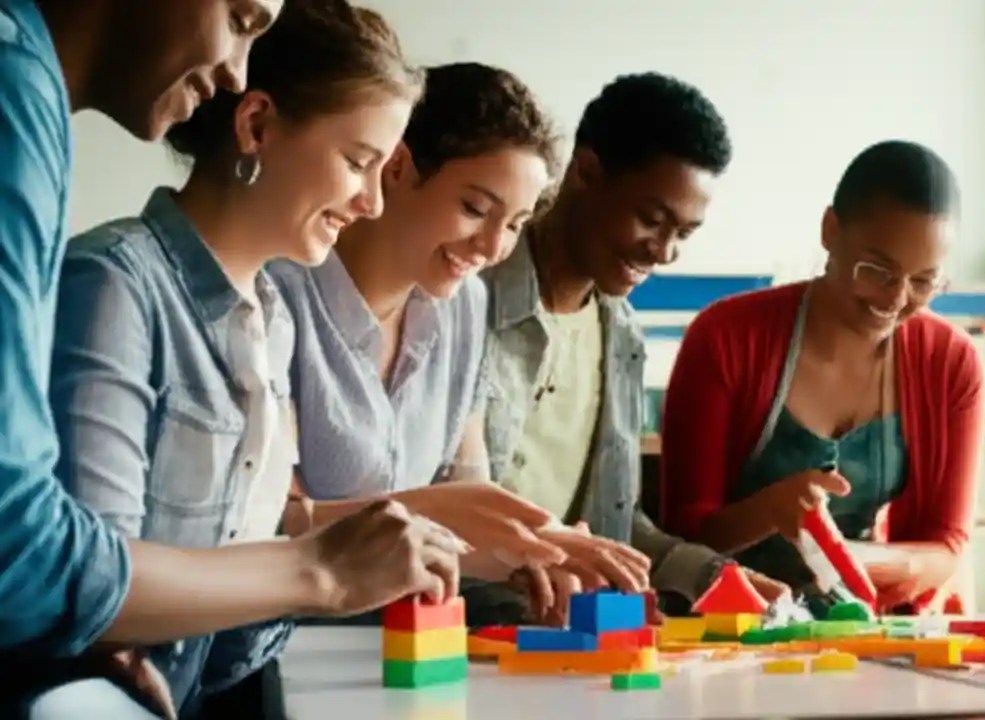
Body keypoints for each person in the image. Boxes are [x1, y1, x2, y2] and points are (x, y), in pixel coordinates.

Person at [45, 4, 556, 717]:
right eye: (359, 163)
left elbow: (271, 536)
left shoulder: (271, 317)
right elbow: (90, 583)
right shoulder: (113, 285)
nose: (372, 200)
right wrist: (318, 572)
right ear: (255, 127)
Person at [272, 62, 651, 629]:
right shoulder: (281, 290)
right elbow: (271, 524)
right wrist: (423, 513)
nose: (494, 246)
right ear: (395, 168)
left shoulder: (465, 305)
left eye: (518, 223)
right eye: (475, 208)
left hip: (406, 636)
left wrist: (533, 550)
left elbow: (468, 494)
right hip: (286, 640)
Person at [481, 72, 789, 611]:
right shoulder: (468, 298)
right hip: (455, 634)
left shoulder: (620, 333)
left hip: (565, 644)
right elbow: (429, 506)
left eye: (684, 234)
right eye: (652, 219)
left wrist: (712, 576)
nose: (665, 252)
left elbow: (614, 528)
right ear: (586, 172)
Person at [659, 140, 985, 615]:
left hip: (862, 625)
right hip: (729, 627)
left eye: (923, 282)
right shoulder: (726, 338)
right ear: (830, 230)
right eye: (878, 270)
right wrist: (768, 511)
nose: (895, 300)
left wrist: (860, 561)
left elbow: (947, 542)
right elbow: (681, 535)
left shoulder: (951, 364)